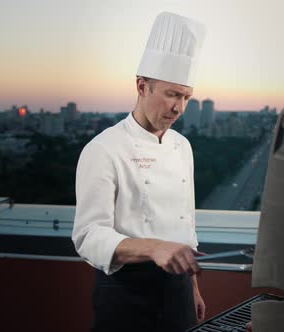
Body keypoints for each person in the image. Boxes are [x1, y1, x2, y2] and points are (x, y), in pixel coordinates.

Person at [72, 12, 206, 332]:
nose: (179, 108)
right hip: (125, 294)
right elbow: (88, 236)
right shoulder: (103, 149)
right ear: (141, 86)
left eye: (186, 97)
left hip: (179, 292)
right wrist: (154, 247)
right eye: (172, 94)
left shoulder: (182, 147)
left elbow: (187, 225)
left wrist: (193, 289)